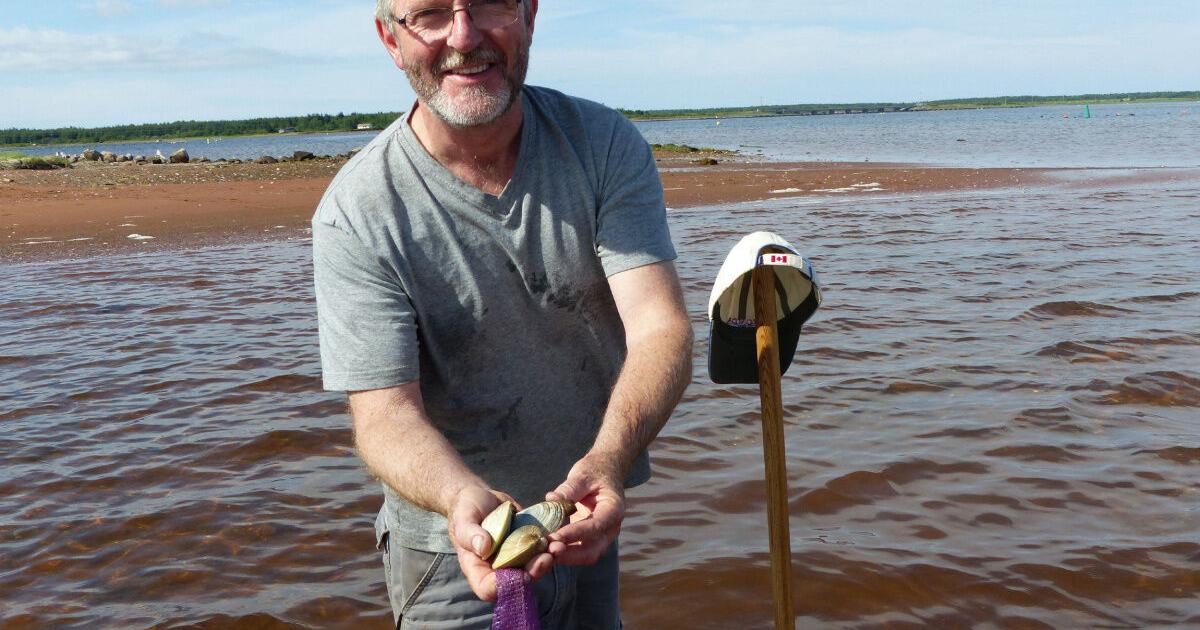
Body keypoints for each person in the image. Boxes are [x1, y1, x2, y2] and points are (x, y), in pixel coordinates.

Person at [312, 0, 693, 627]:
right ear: (390, 39)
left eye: (489, 5)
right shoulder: (357, 213)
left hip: (583, 519)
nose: (464, 36)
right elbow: (383, 414)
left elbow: (660, 327)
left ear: (530, 15)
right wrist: (460, 498)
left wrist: (608, 460)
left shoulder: (602, 146)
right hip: (453, 552)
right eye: (429, 14)